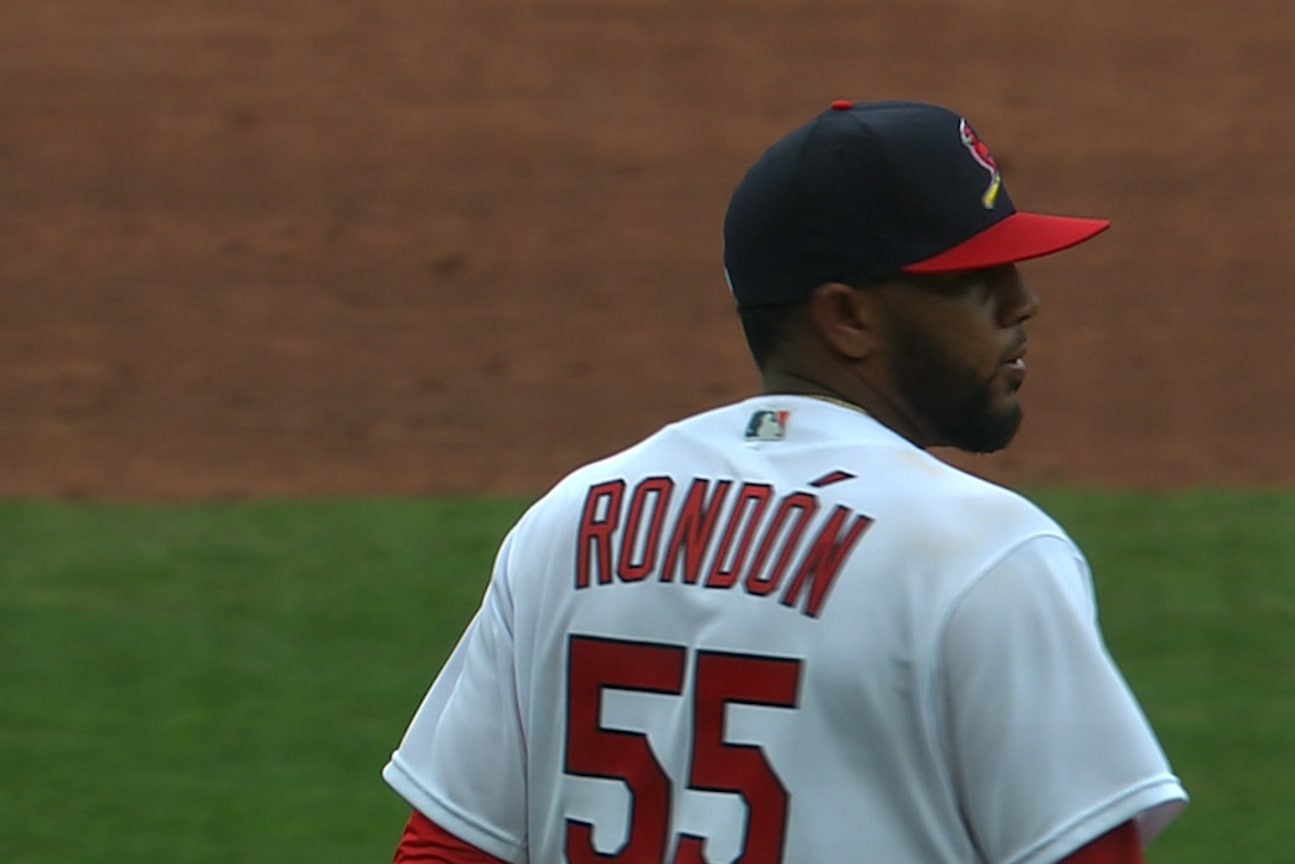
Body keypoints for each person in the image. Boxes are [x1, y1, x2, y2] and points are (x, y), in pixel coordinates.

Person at [383, 98, 1188, 864]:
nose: (1023, 301)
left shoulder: (570, 522)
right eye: (974, 279)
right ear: (848, 317)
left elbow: (448, 848)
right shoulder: (982, 557)